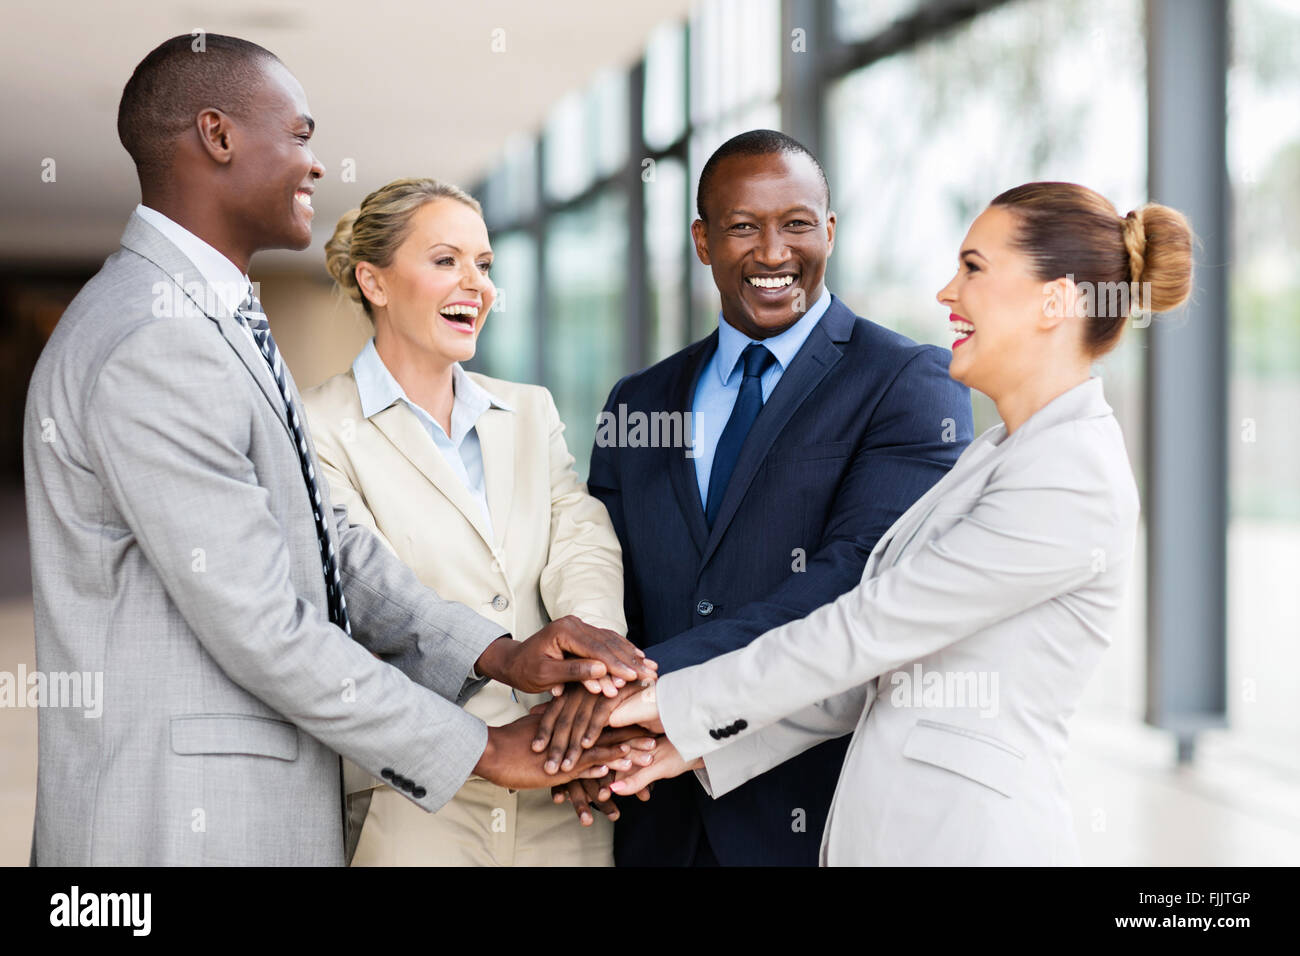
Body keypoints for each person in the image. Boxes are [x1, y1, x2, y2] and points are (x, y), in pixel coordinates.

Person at [22, 34, 654, 867]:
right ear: (218, 137)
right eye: (300, 136)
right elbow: (265, 625)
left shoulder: (213, 322)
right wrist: (486, 748)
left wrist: (498, 655)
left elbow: (329, 548)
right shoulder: (155, 337)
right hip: (181, 827)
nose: (316, 166)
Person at [607, 182, 1195, 866]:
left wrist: (669, 700)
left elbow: (867, 628)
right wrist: (689, 743)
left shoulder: (1071, 474)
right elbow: (877, 674)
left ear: (1056, 299)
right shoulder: (1000, 453)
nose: (948, 292)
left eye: (974, 268)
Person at [533, 130, 974, 866]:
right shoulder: (640, 400)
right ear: (703, 241)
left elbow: (854, 577)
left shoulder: (908, 382)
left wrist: (629, 698)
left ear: (828, 231)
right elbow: (608, 574)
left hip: (814, 809)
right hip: (653, 815)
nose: (773, 253)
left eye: (797, 224)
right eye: (743, 226)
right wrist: (589, 723)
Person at [303, 178, 638, 865]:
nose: (476, 285)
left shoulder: (530, 410)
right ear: (375, 281)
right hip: (415, 792)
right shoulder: (316, 426)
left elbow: (579, 539)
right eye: (445, 260)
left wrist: (591, 673)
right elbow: (369, 587)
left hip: (560, 778)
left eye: (484, 264)